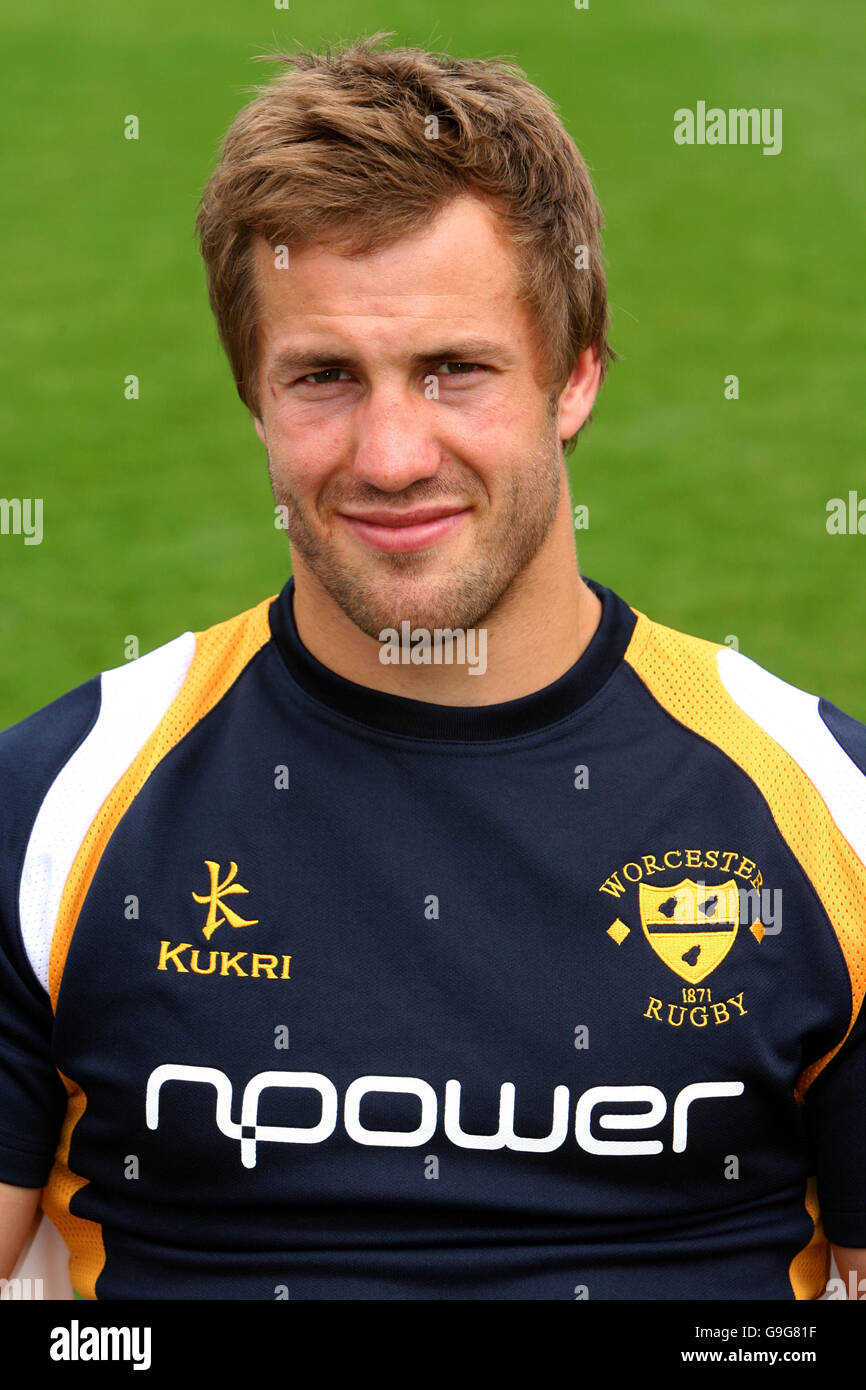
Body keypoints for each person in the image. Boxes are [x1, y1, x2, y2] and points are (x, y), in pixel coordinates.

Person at [0, 32, 863, 1302]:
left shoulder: (829, 816)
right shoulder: (52, 810)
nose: (391, 454)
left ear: (574, 375)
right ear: (251, 392)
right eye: (323, 378)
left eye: (452, 371)